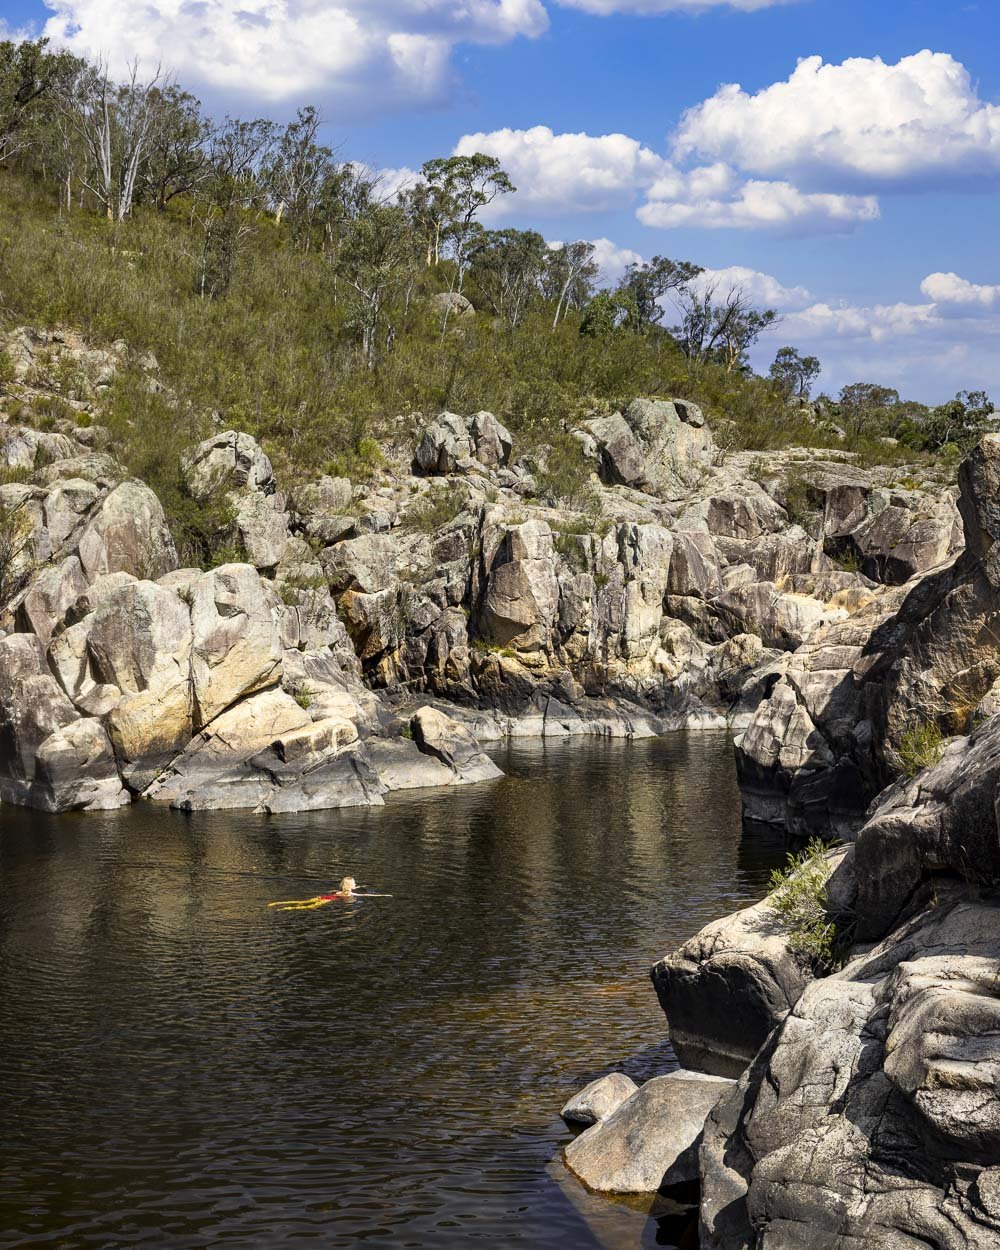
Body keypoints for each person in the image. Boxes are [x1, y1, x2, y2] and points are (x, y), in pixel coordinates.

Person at [268, 877, 358, 911]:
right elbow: (362, 895)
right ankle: (287, 908)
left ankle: (277, 903)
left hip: (324, 896)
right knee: (310, 907)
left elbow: (333, 891)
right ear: (351, 886)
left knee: (302, 901)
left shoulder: (338, 891)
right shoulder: (349, 893)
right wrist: (371, 895)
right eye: (354, 884)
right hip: (328, 900)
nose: (355, 885)